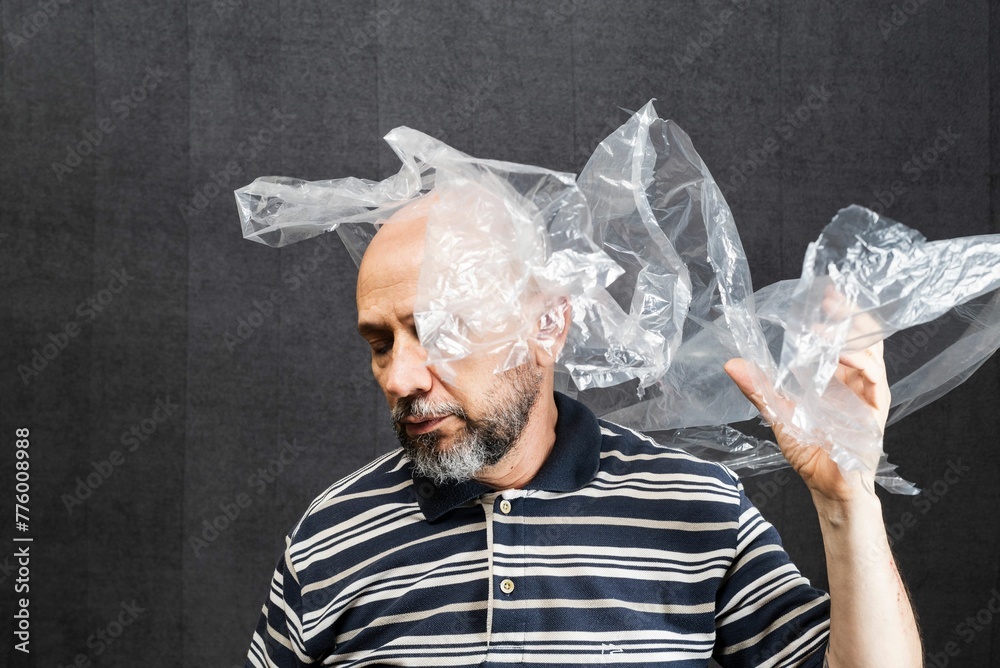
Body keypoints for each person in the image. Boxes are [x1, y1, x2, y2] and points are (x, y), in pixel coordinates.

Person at [245, 194, 923, 668]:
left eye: (440, 331)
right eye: (380, 342)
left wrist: (846, 502)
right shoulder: (330, 535)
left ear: (547, 325)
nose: (400, 377)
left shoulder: (692, 507)